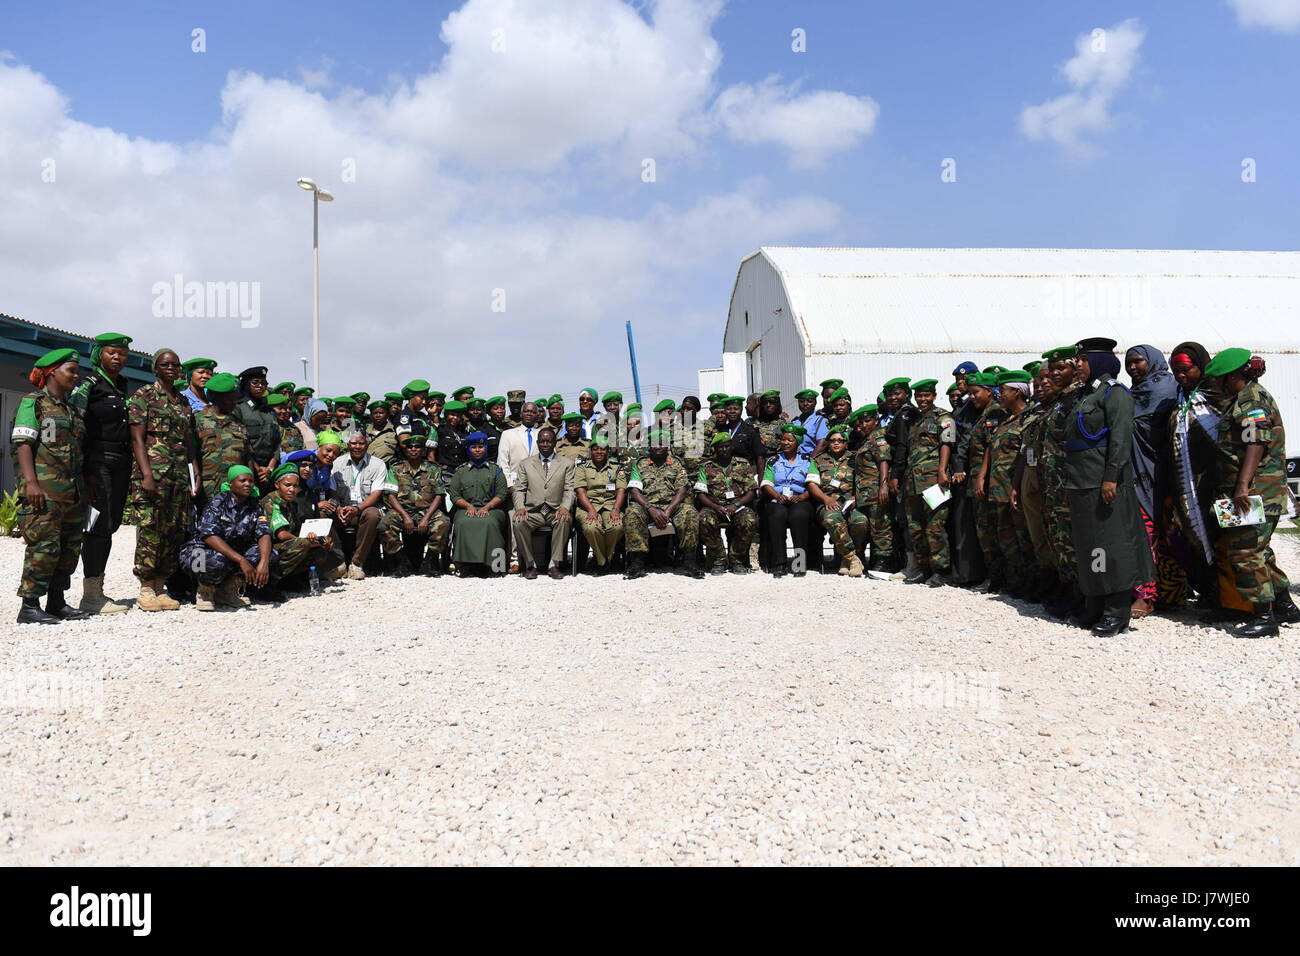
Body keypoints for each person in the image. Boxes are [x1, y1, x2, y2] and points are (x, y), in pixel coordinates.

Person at [1203, 347, 1299, 637]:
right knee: (1260, 550)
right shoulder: (1246, 397)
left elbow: (1255, 443)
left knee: (1245, 550)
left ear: (1232, 376)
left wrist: (1242, 486)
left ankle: (1263, 617)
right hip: (1256, 490)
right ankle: (1284, 606)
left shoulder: (1250, 399)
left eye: (1217, 379)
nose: (1214, 385)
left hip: (1255, 492)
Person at [1063, 337, 1155, 636]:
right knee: (1091, 545)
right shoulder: (1083, 395)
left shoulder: (1115, 394)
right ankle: (1095, 601)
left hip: (1103, 482)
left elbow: (1120, 438)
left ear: (1100, 362)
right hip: (1081, 482)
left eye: (1083, 360)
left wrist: (1110, 477)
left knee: (1111, 545)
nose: (1078, 365)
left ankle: (1116, 609)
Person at [12, 349, 89, 623]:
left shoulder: (71, 410)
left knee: (68, 549)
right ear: (52, 371)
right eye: (71, 370)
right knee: (43, 547)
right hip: (43, 491)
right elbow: (23, 444)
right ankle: (30, 606)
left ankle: (57, 602)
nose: (76, 376)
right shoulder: (33, 403)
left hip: (71, 492)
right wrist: (31, 483)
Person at [127, 348, 198, 612]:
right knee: (151, 529)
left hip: (178, 476)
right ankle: (146, 587)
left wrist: (195, 474)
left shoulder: (182, 402)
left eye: (175, 365)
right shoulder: (143, 396)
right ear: (155, 368)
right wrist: (146, 474)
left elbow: (188, 443)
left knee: (174, 530)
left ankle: (160, 585)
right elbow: (136, 438)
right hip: (152, 475)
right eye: (166, 364)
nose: (171, 368)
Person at [72, 332, 134, 615]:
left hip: (121, 461)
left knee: (111, 523)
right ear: (99, 355)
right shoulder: (88, 385)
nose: (118, 357)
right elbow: (75, 424)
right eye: (112, 352)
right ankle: (91, 595)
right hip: (98, 462)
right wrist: (85, 469)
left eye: (122, 353)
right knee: (99, 526)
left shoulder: (121, 386)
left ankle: (97, 589)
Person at [1125, 344, 1181, 617]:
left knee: (1154, 536)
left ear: (1153, 361)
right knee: (1145, 534)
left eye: (1138, 361)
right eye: (1129, 362)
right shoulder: (1134, 393)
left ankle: (1149, 596)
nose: (1133, 367)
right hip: (1137, 474)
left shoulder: (1166, 391)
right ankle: (1154, 592)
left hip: (1159, 474)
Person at [180, 465, 274, 610]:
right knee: (215, 560)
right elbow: (209, 536)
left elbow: (264, 532)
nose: (248, 484)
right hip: (200, 552)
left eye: (251, 481)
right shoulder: (218, 503)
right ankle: (205, 591)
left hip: (231, 553)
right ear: (231, 484)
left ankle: (227, 591)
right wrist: (241, 559)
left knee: (270, 554)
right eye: (242, 481)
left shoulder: (255, 505)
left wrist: (264, 561)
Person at [1041, 347, 1088, 618]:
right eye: (1053, 368)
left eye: (1061, 368)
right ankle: (1069, 591)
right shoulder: (1061, 399)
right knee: (1059, 539)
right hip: (1053, 482)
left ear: (1074, 369)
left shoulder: (1080, 397)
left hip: (1069, 482)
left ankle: (1082, 596)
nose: (1055, 373)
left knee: (1073, 540)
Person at [623, 430, 702, 579]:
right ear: (648, 447)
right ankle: (637, 564)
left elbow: (682, 489)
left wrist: (668, 511)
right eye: (654, 444)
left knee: (690, 512)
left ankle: (690, 563)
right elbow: (634, 490)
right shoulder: (640, 464)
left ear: (667, 447)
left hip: (672, 506)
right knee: (632, 512)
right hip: (647, 506)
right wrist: (650, 508)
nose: (658, 447)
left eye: (662, 444)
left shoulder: (677, 463)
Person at [1012, 361, 1060, 601]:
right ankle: (1047, 579)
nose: (1040, 384)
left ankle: (1064, 584)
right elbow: (1023, 449)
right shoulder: (1033, 412)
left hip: (1051, 478)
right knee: (1036, 533)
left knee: (1057, 534)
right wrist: (1016, 484)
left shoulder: (1062, 407)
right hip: (1030, 474)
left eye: (1046, 378)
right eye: (1037, 380)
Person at [902, 379, 955, 586]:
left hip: (934, 480)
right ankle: (923, 569)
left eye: (927, 396)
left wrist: (942, 470)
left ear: (933, 396)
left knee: (935, 527)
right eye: (919, 396)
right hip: (913, 482)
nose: (923, 400)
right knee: (916, 527)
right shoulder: (915, 421)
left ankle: (941, 570)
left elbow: (947, 444)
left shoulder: (943, 417)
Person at [985, 371, 1033, 595]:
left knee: (1024, 538)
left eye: (1003, 390)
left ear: (1017, 392)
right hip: (999, 488)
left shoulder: (1028, 418)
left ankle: (1030, 583)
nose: (999, 395)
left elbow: (1027, 454)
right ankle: (1013, 581)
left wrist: (1018, 486)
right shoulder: (1006, 419)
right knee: (1006, 539)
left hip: (1016, 488)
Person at [379, 432, 452, 577]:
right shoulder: (396, 468)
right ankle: (402, 562)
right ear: (405, 450)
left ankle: (429, 563)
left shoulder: (433, 469)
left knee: (444, 522)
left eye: (417, 447)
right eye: (410, 447)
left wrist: (426, 518)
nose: (413, 449)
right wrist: (405, 516)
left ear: (422, 450)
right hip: (403, 511)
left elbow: (439, 495)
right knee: (384, 524)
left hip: (427, 511)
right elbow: (390, 494)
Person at [263, 461, 344, 587]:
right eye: (287, 485)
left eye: (295, 486)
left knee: (320, 550)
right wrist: (308, 542)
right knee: (303, 544)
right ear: (277, 485)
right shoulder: (272, 501)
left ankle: (293, 579)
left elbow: (296, 529)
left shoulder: (291, 503)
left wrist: (319, 540)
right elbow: (282, 534)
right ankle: (272, 582)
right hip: (270, 549)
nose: (292, 490)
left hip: (286, 545)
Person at [511, 427, 575, 579]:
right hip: (534, 512)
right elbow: (519, 489)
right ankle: (530, 564)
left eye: (549, 441)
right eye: (542, 441)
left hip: (555, 510)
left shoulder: (567, 463)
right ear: (538, 443)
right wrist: (520, 508)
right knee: (519, 522)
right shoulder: (526, 464)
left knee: (564, 520)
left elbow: (569, 490)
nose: (545, 444)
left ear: (554, 443)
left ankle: (554, 564)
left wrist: (565, 507)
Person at [330, 430, 392, 579]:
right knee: (324, 514)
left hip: (362, 509)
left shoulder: (378, 464)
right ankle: (338, 563)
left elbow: (376, 494)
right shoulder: (337, 463)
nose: (357, 446)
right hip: (343, 507)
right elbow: (332, 491)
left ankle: (356, 563)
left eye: (361, 443)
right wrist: (338, 508)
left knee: (373, 514)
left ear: (367, 444)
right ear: (348, 445)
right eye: (353, 443)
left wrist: (357, 509)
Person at [695, 433, 760, 575]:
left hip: (738, 506)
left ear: (732, 447)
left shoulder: (743, 464)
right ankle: (719, 559)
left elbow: (751, 492)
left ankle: (737, 560)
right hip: (715, 507)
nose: (724, 449)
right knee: (704, 519)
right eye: (720, 447)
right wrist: (717, 507)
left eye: (727, 446)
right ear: (715, 449)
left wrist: (736, 505)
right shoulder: (706, 467)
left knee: (749, 519)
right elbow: (700, 494)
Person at [808, 425, 867, 577]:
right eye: (832, 440)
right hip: (827, 501)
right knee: (832, 520)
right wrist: (826, 498)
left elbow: (864, 481)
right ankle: (852, 559)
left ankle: (845, 559)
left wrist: (856, 497)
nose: (836, 443)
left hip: (851, 501)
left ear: (846, 443)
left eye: (840, 440)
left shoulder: (856, 458)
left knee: (860, 521)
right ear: (827, 442)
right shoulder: (817, 460)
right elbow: (812, 485)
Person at [449, 433, 510, 576]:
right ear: (468, 449)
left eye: (481, 447)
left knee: (489, 522)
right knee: (463, 522)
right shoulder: (460, 471)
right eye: (474, 447)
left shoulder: (496, 470)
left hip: (492, 508)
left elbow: (502, 493)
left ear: (486, 448)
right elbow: (454, 494)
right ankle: (465, 565)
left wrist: (487, 507)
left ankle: (494, 566)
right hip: (466, 508)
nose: (477, 450)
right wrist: (467, 506)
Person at [968, 373, 1008, 593]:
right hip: (980, 480)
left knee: (991, 530)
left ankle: (998, 579)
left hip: (991, 480)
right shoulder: (982, 414)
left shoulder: (995, 413)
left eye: (976, 392)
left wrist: (981, 477)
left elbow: (992, 448)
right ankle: (994, 576)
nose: (972, 397)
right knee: (985, 530)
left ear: (989, 391)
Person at [761, 423, 814, 578]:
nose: (785, 443)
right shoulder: (773, 460)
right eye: (783, 440)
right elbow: (766, 484)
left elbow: (813, 484)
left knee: (799, 517)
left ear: (797, 442)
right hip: (778, 500)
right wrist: (777, 496)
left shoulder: (807, 461)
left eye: (790, 440)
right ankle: (779, 563)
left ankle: (799, 563)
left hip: (800, 500)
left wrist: (802, 496)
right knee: (777, 516)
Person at [193, 372, 256, 503]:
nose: (234, 403)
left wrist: (250, 483)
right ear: (216, 397)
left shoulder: (238, 423)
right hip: (207, 492)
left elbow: (247, 456)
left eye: (235, 399)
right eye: (229, 399)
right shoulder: (197, 420)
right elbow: (191, 455)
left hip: (236, 494)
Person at [574, 435, 626, 573]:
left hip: (610, 505)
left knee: (617, 526)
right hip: (587, 506)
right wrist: (591, 510)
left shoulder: (616, 467)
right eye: (595, 449)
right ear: (591, 451)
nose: (599, 452)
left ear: (608, 451)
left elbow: (621, 490)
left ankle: (600, 559)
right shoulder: (582, 468)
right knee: (591, 528)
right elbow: (580, 492)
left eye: (602, 449)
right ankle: (603, 562)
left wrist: (616, 509)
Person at [884, 378, 920, 573]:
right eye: (890, 394)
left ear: (907, 394)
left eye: (897, 393)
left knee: (906, 519)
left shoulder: (905, 413)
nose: (892, 398)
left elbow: (902, 446)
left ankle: (913, 565)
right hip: (905, 470)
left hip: (905, 472)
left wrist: (895, 475)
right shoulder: (899, 414)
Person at [851, 405, 892, 572]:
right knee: (873, 528)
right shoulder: (867, 440)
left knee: (881, 527)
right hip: (865, 495)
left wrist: (884, 485)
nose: (863, 426)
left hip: (876, 492)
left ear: (876, 420)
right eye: (859, 424)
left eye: (867, 421)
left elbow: (884, 460)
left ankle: (884, 564)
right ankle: (875, 562)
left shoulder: (879, 437)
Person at [231, 366, 280, 487]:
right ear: (246, 384)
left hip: (268, 472)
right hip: (247, 470)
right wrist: (257, 469)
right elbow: (241, 443)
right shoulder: (238, 408)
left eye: (263, 383)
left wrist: (270, 468)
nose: (260, 386)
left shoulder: (269, 411)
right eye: (255, 382)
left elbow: (277, 443)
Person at [497, 401, 541, 491]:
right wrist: (509, 485)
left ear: (537, 416)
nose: (529, 414)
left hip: (538, 487)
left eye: (533, 412)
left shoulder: (543, 434)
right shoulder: (508, 434)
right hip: (515, 486)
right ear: (521, 414)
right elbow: (502, 462)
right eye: (526, 411)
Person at [722, 395, 764, 478]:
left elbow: (760, 457)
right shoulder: (721, 430)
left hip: (746, 476)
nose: (732, 411)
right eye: (729, 409)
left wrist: (760, 480)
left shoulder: (751, 431)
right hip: (725, 475)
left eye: (736, 409)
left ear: (741, 410)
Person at [793, 388, 829, 457]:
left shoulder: (820, 420)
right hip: (796, 461)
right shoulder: (795, 422)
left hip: (813, 459)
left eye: (809, 401)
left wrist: (810, 461)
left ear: (815, 403)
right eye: (801, 401)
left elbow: (822, 444)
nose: (805, 404)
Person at [364, 399, 398, 467]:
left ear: (387, 415)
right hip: (367, 469)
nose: (378, 415)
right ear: (371, 415)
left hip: (387, 470)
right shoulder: (364, 433)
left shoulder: (394, 432)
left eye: (381, 413)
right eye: (375, 413)